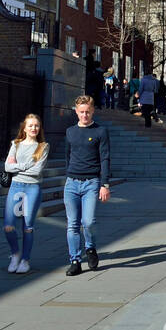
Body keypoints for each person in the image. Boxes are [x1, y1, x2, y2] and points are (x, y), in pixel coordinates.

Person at [63, 95, 111, 276]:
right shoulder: (70, 132)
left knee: (88, 222)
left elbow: (105, 158)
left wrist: (104, 184)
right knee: (72, 224)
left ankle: (90, 248)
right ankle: (75, 260)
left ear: (93, 111)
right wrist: (69, 173)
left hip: (92, 182)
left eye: (88, 112)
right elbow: (68, 155)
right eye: (81, 112)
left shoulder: (100, 131)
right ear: (76, 112)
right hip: (72, 183)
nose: (85, 115)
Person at [3, 114, 49, 274]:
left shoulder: (43, 146)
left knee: (28, 226)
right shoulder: (15, 144)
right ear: (24, 127)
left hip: (32, 188)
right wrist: (27, 165)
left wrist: (18, 166)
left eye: (36, 125)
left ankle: (25, 260)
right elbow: (7, 167)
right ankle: (15, 254)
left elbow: (37, 171)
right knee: (9, 226)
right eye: (30, 125)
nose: (33, 128)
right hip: (15, 187)